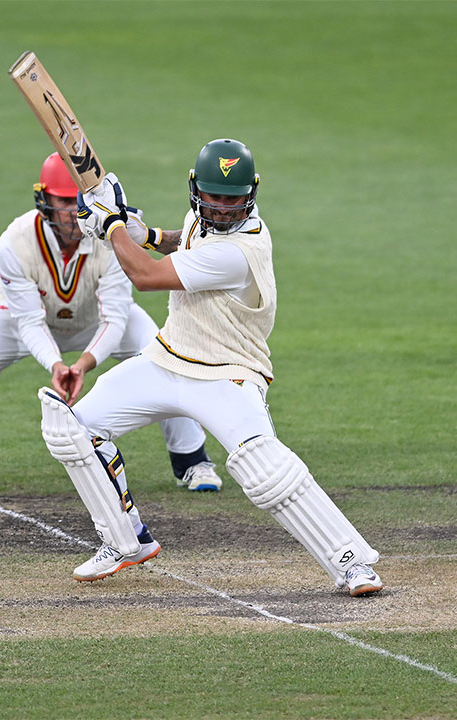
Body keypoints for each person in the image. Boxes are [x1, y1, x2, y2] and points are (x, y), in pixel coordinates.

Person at [37, 139, 384, 596]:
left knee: (263, 470)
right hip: (167, 358)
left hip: (227, 372)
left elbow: (145, 277)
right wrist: (142, 234)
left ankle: (353, 561)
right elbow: (183, 242)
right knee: (71, 428)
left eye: (232, 199)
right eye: (214, 197)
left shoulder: (240, 252)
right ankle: (125, 541)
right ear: (196, 189)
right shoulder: (205, 222)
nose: (221, 209)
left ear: (251, 194)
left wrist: (113, 227)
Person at [0, 153, 223, 494]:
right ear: (44, 199)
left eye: (78, 201)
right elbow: (27, 320)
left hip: (97, 320)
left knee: (165, 352)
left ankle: (193, 461)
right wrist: (55, 364)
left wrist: (83, 364)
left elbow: (115, 317)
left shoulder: (112, 237)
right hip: (17, 319)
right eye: (63, 201)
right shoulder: (14, 242)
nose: (72, 212)